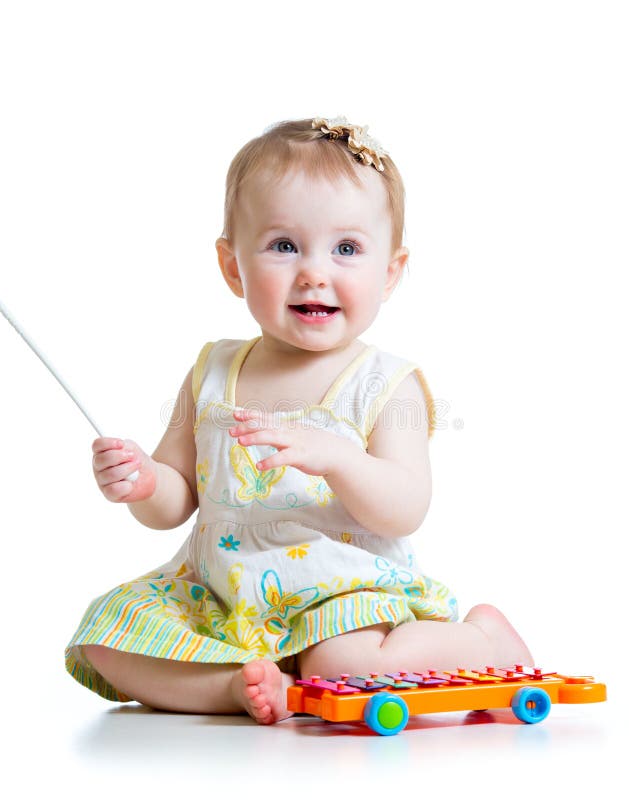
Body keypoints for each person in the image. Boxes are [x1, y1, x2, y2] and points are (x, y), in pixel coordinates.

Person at [65, 116, 533, 725]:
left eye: (346, 249)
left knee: (343, 668)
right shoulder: (213, 369)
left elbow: (406, 505)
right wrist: (145, 482)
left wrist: (338, 457)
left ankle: (483, 643)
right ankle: (241, 685)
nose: (314, 271)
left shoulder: (386, 384)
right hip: (225, 594)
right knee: (107, 636)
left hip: (341, 599)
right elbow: (177, 499)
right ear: (233, 267)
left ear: (389, 272)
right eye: (284, 246)